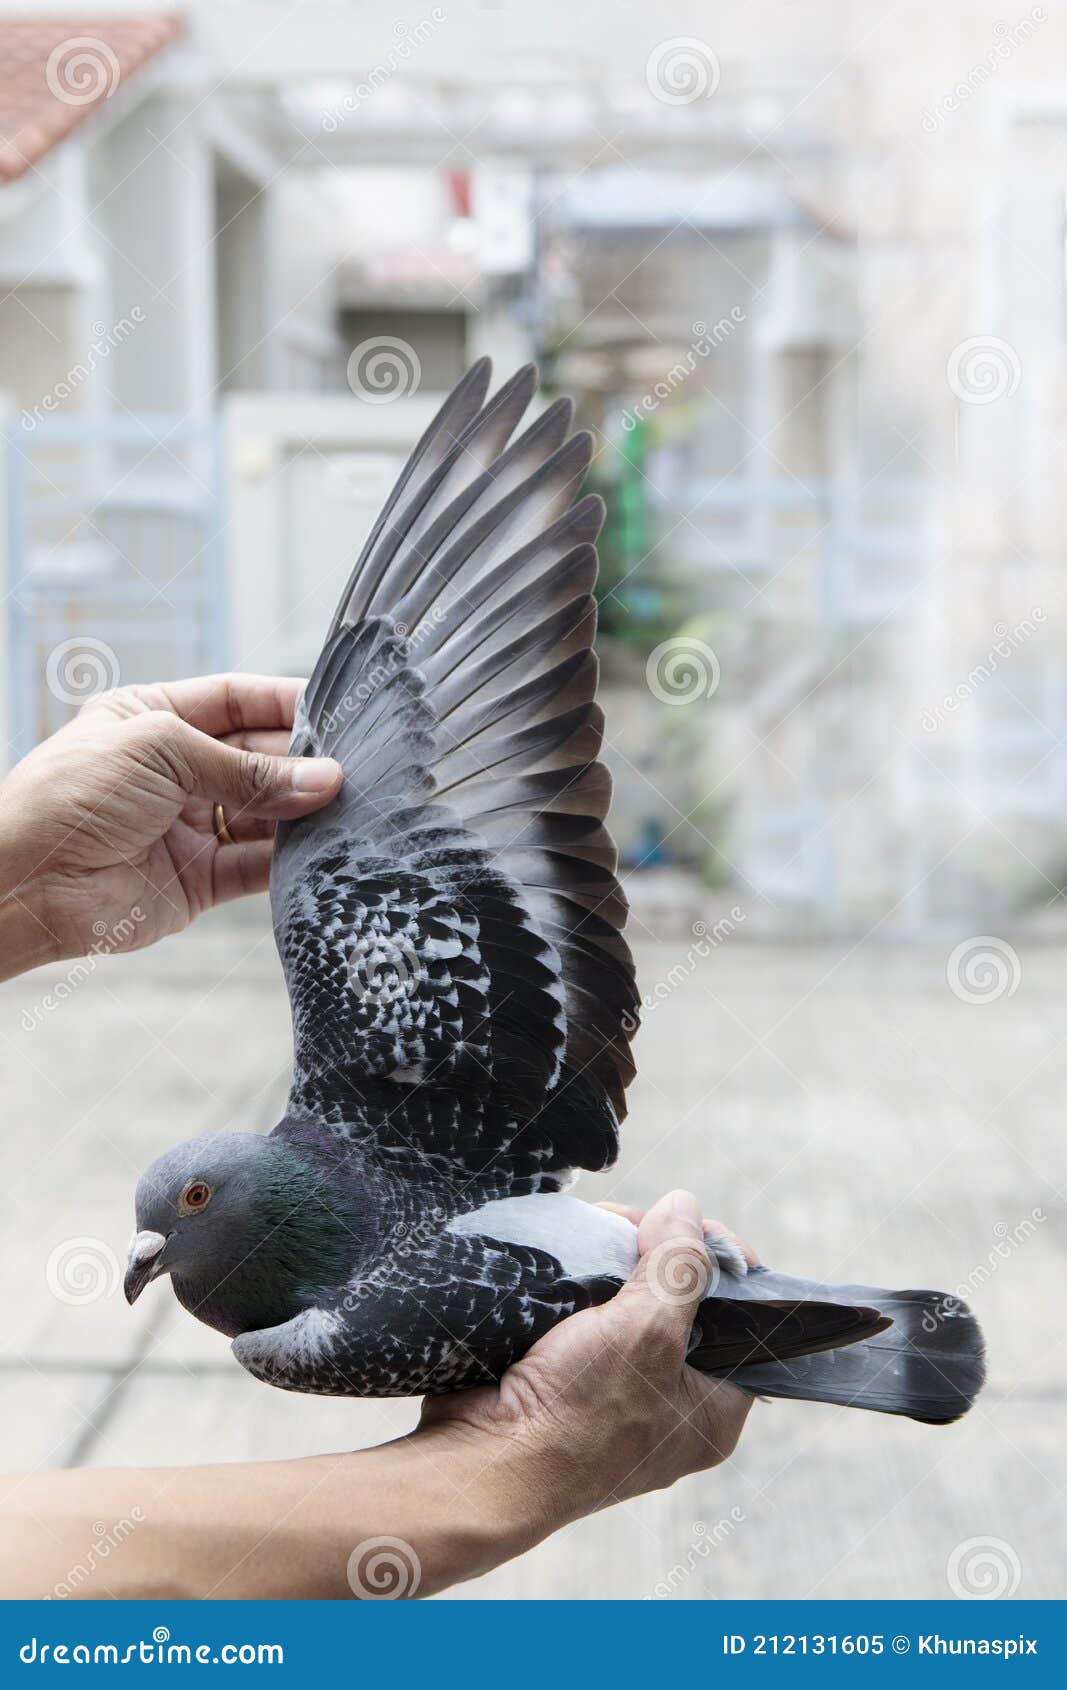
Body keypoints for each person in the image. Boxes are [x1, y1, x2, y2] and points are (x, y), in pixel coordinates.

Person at [0, 675, 754, 1599]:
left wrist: (31, 877)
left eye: (194, 1200)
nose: (151, 1244)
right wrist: (518, 1458)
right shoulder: (287, 1331)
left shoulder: (350, 1088)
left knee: (329, 851)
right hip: (587, 1260)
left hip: (571, 1245)